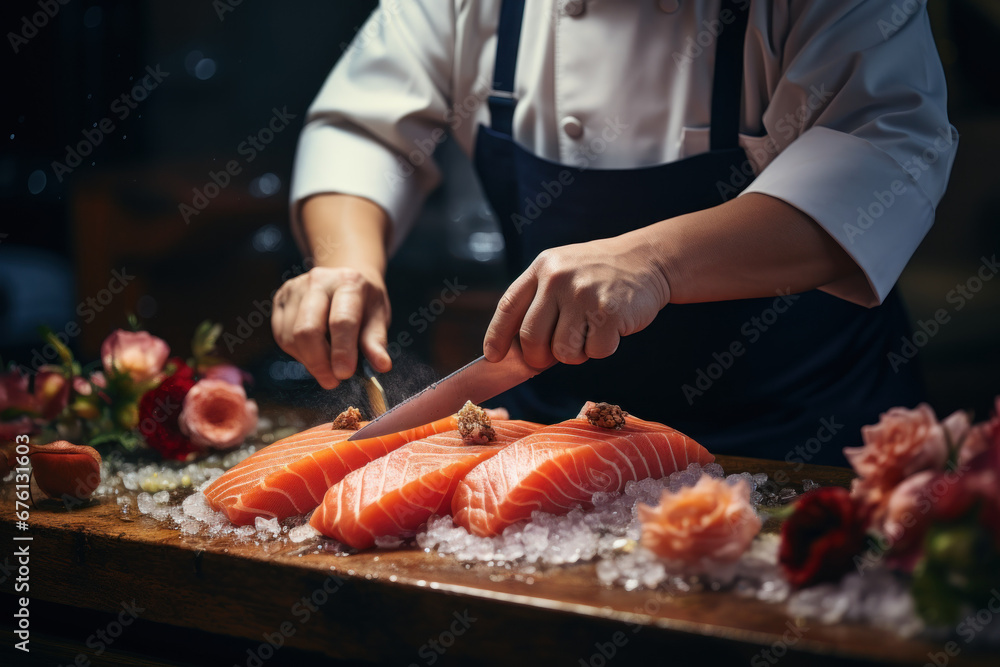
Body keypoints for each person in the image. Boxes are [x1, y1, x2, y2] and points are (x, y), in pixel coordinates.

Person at [272, 0, 957, 464]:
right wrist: (346, 262)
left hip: (802, 432)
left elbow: (885, 151)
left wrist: (657, 261)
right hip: (558, 434)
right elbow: (365, 127)